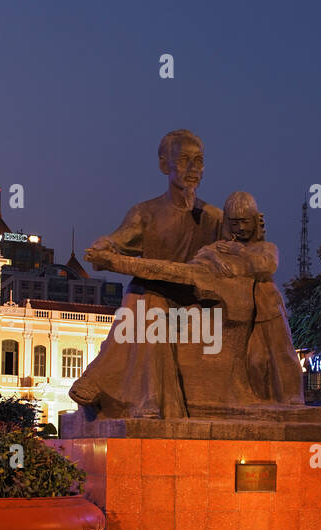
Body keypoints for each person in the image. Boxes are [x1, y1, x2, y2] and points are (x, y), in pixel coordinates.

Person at [97, 191, 305, 413]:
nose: (241, 228)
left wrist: (238, 252)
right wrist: (116, 262)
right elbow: (189, 270)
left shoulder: (266, 248)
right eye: (235, 223)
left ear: (256, 221)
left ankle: (292, 396)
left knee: (272, 358)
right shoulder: (216, 250)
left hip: (267, 315)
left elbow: (265, 265)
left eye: (246, 222)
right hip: (225, 321)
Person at [70, 129, 223, 418]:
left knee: (147, 303)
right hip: (154, 302)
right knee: (146, 296)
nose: (193, 169)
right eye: (184, 160)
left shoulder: (213, 218)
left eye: (199, 161)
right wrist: (105, 245)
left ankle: (107, 383)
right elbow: (118, 240)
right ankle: (147, 398)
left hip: (196, 307)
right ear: (165, 165)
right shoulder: (145, 212)